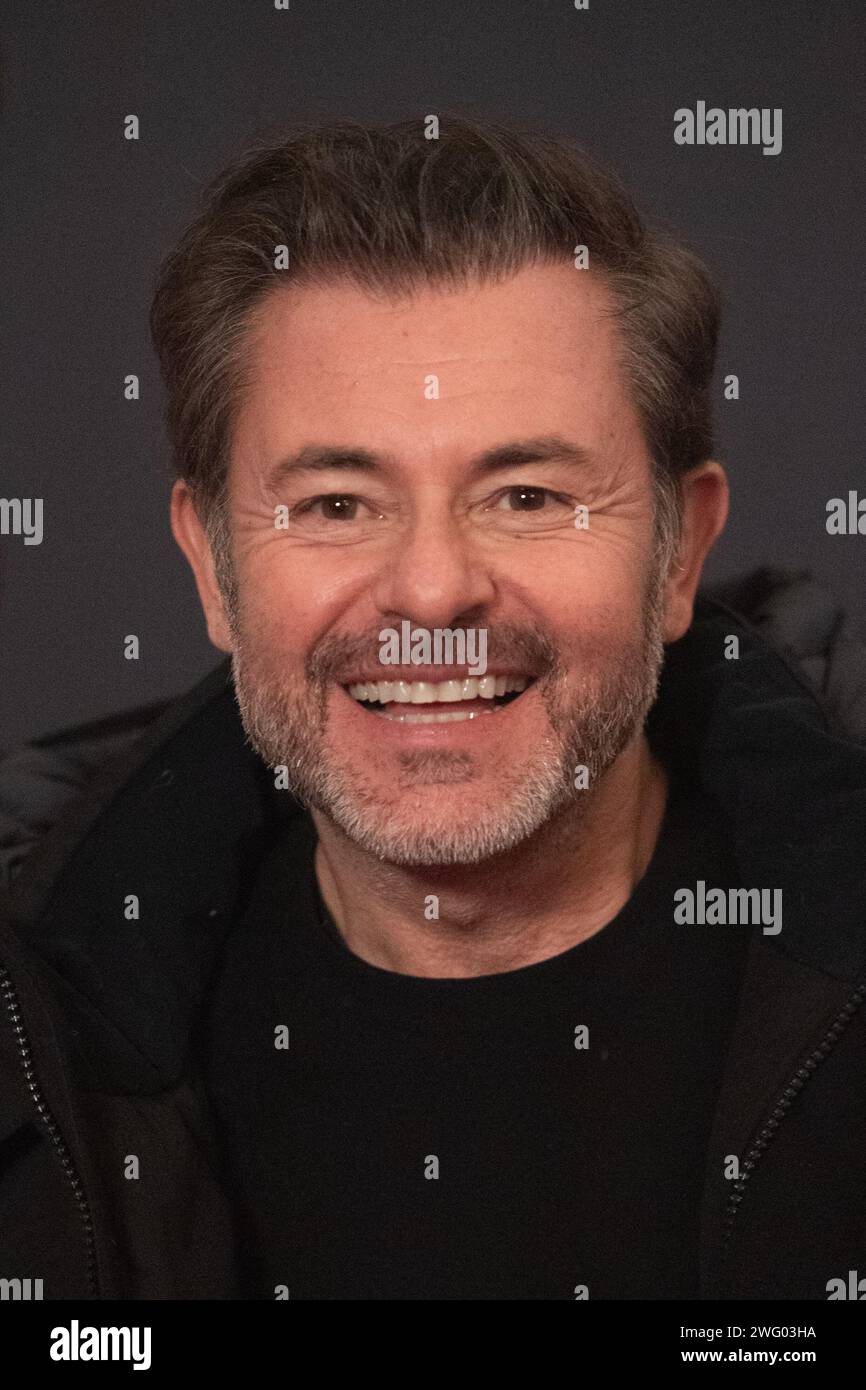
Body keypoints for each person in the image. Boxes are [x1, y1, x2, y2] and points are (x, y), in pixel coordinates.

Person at [1, 116, 865, 1302]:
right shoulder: (32, 996)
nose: (428, 593)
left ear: (677, 552)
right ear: (210, 567)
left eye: (525, 493)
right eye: (338, 503)